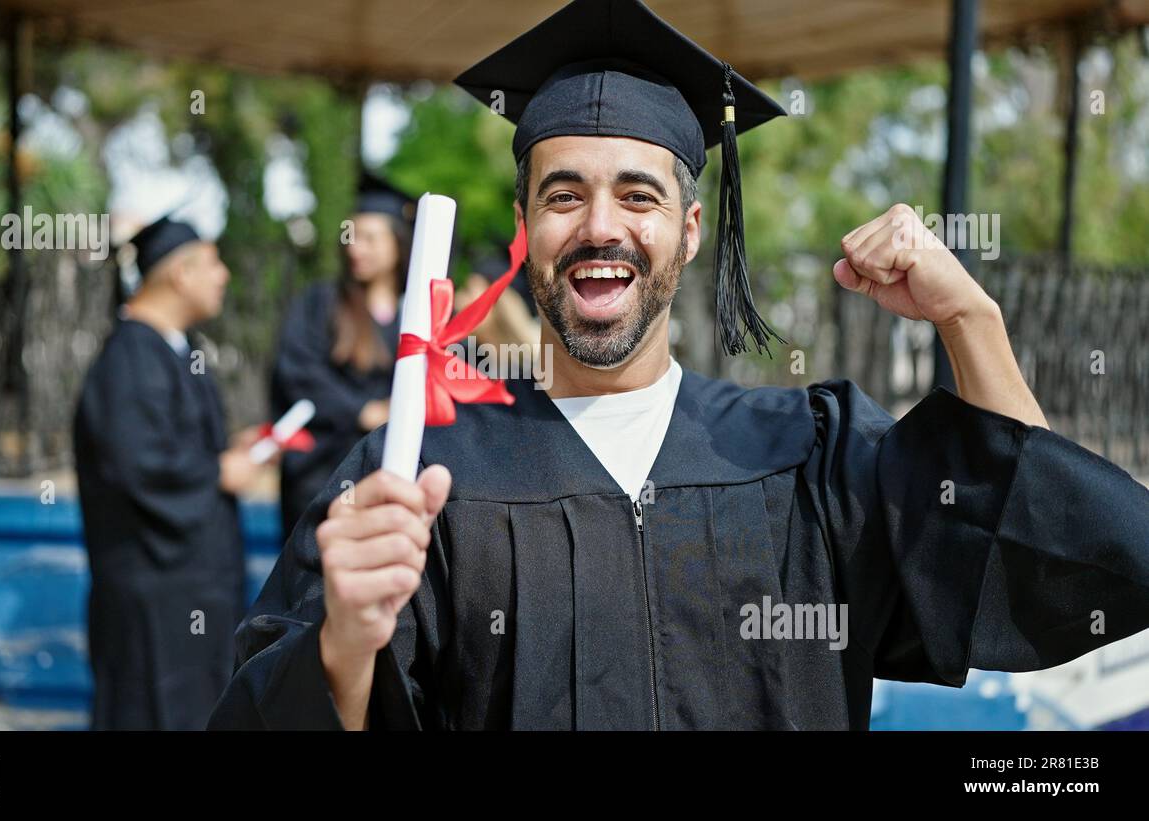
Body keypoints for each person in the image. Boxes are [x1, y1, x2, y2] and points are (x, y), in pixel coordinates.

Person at [208, 0, 1149, 730]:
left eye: (639, 195)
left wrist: (970, 318)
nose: (601, 227)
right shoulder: (418, 481)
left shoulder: (813, 458)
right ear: (524, 229)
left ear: (691, 230)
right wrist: (345, 644)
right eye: (563, 194)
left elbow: (1066, 564)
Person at [74, 214, 267, 730]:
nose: (223, 274)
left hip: (187, 590)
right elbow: (134, 466)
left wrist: (230, 452)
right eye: (212, 262)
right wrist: (217, 472)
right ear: (180, 274)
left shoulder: (175, 349)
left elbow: (167, 446)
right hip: (152, 598)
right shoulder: (131, 357)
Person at [268, 172, 413, 543]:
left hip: (393, 471)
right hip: (325, 473)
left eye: (369, 238)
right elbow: (297, 374)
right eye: (351, 236)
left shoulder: (416, 310)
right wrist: (361, 410)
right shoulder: (322, 302)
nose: (355, 248)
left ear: (397, 243)